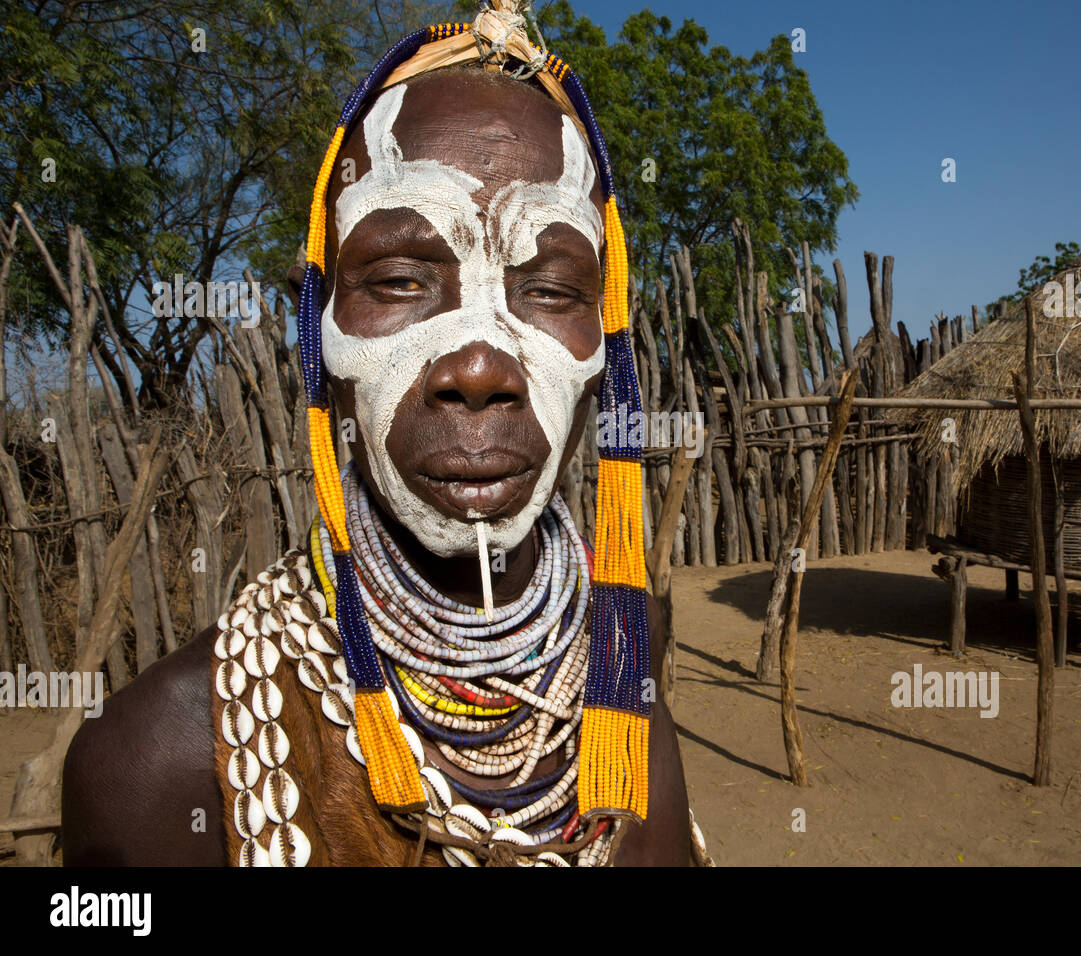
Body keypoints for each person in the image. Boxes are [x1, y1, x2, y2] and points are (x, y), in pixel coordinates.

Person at [61, 3, 705, 867]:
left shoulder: (628, 659)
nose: (479, 365)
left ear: (606, 340)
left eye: (550, 289)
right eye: (400, 278)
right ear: (319, 333)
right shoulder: (159, 764)